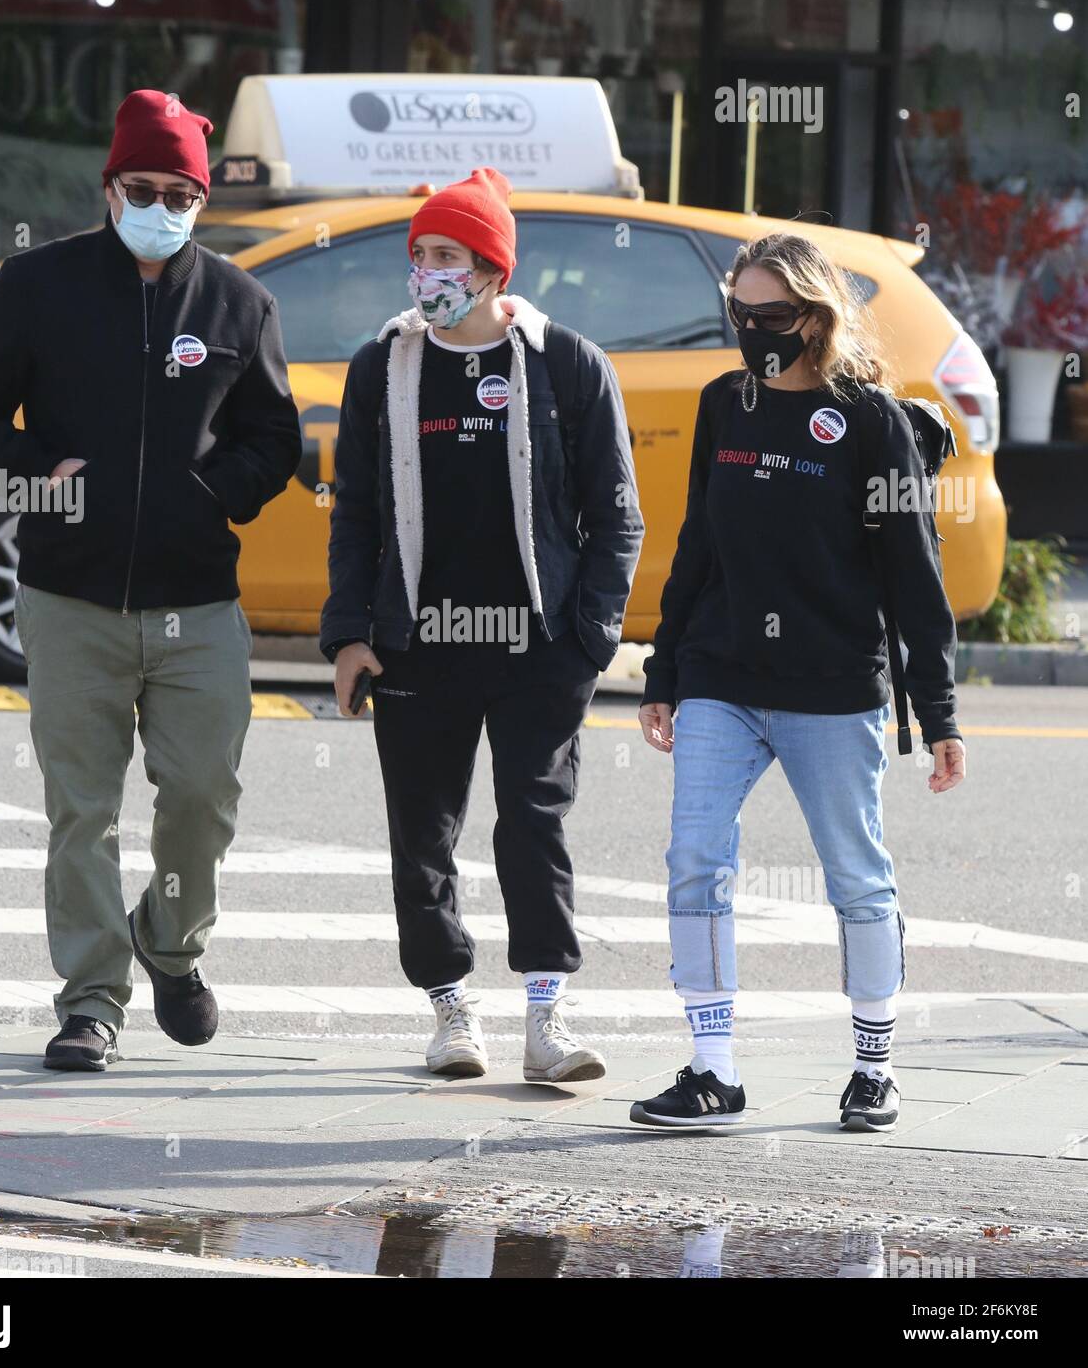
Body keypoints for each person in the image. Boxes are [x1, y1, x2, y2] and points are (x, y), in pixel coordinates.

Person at [0, 90, 303, 1072]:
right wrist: (24, 473)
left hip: (198, 604)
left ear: (199, 198)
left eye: (180, 191)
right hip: (67, 597)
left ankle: (169, 942)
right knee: (82, 810)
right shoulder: (38, 286)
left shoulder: (238, 301)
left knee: (200, 793)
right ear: (108, 188)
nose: (161, 205)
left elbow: (277, 438)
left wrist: (212, 493)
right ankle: (91, 1000)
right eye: (142, 187)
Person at [632, 231, 966, 1131]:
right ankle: (712, 1070)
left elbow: (913, 575)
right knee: (695, 862)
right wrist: (662, 672)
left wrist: (936, 712)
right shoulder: (722, 405)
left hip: (831, 683)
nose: (750, 330)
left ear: (815, 318)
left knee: (855, 877)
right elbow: (696, 542)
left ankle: (872, 1067)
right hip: (721, 674)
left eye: (769, 314)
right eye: (736, 313)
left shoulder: (870, 422)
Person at [320, 167, 643, 1083]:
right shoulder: (381, 366)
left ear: (493, 270)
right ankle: (449, 1010)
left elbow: (617, 514)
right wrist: (349, 634)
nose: (429, 273)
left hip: (539, 646)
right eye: (419, 255)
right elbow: (355, 514)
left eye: (449, 256)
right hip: (418, 642)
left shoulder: (567, 363)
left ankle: (547, 1017)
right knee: (421, 831)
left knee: (531, 824)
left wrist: (590, 635)